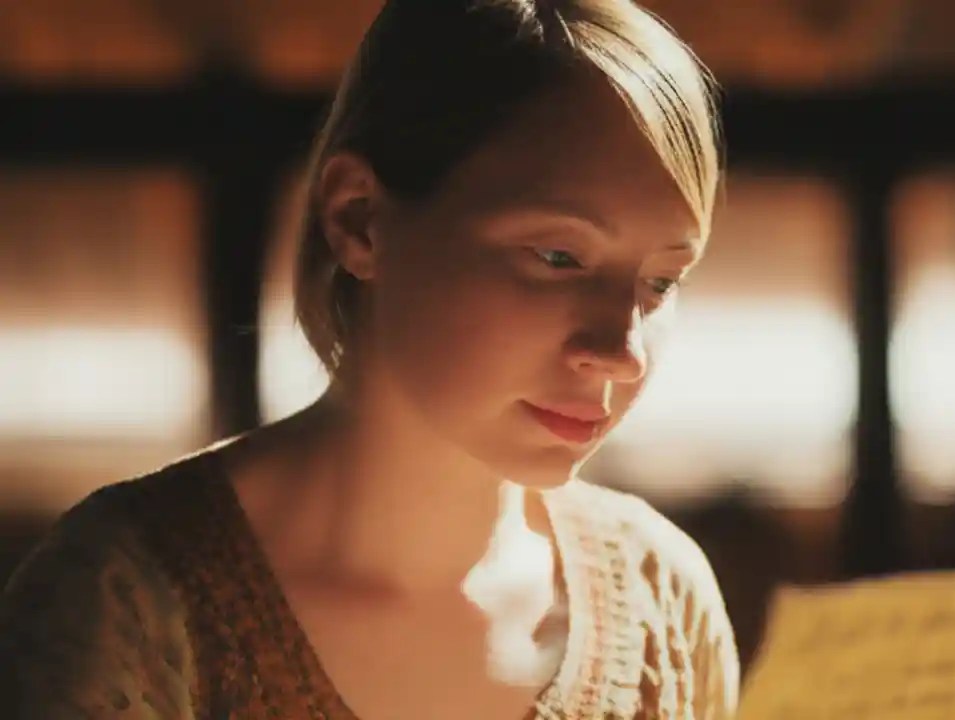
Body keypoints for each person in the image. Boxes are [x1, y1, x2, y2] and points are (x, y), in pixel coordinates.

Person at [0, 1, 739, 717]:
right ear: (360, 220)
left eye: (661, 281)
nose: (622, 353)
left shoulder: (661, 603)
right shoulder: (127, 599)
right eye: (558, 255)